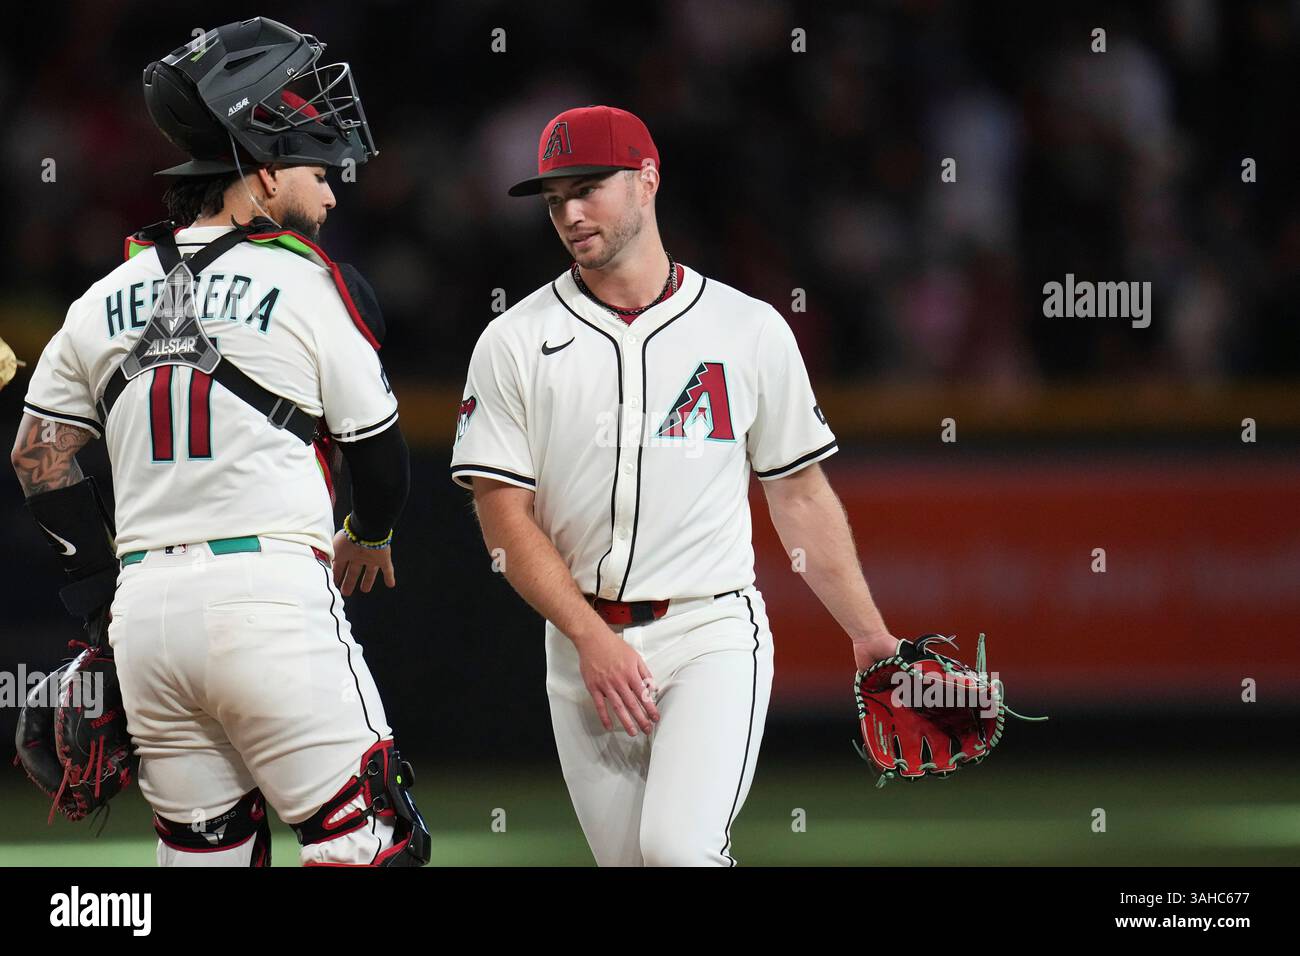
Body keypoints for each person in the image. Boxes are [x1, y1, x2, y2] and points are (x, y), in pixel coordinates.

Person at [12, 17, 427, 867]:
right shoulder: (309, 282)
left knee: (205, 857)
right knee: (368, 841)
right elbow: (380, 453)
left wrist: (102, 607)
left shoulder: (105, 292)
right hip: (269, 597)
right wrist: (373, 531)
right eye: (319, 169)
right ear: (264, 173)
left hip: (145, 618)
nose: (334, 192)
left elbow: (36, 458)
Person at [450, 105, 898, 866]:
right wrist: (590, 639)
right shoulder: (515, 339)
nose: (570, 212)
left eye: (589, 187)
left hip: (710, 630)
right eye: (556, 198)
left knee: (678, 852)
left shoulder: (746, 328)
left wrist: (868, 632)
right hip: (580, 642)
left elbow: (800, 494)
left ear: (648, 179)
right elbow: (504, 521)